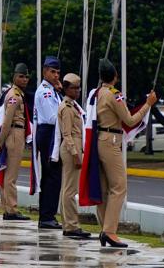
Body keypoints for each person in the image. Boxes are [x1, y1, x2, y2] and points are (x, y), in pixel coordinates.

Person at [93, 58, 157, 248]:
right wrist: (148, 104)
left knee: (104, 189)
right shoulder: (115, 95)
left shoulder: (97, 93)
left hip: (99, 139)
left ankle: (105, 228)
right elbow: (129, 120)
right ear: (115, 76)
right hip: (111, 141)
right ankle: (110, 231)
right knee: (119, 186)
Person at [56, 72, 90, 239]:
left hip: (73, 146)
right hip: (71, 147)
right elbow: (67, 134)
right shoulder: (67, 108)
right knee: (70, 190)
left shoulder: (72, 105)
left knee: (67, 189)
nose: (77, 91)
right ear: (66, 89)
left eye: (78, 88)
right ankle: (71, 225)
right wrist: (76, 154)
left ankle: (68, 224)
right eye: (74, 88)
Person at [0, 63, 31, 221]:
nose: (24, 79)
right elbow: (7, 121)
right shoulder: (14, 96)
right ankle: (11, 209)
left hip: (17, 133)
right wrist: (1, 140)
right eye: (21, 76)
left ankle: (8, 208)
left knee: (10, 175)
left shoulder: (18, 94)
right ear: (14, 77)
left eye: (26, 77)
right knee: (11, 175)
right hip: (14, 133)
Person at [34, 56, 64, 229]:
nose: (56, 76)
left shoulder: (52, 90)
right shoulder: (45, 92)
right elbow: (53, 117)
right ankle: (47, 216)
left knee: (51, 177)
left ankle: (47, 215)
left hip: (51, 133)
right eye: (53, 72)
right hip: (48, 133)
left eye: (58, 73)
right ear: (45, 71)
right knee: (52, 177)